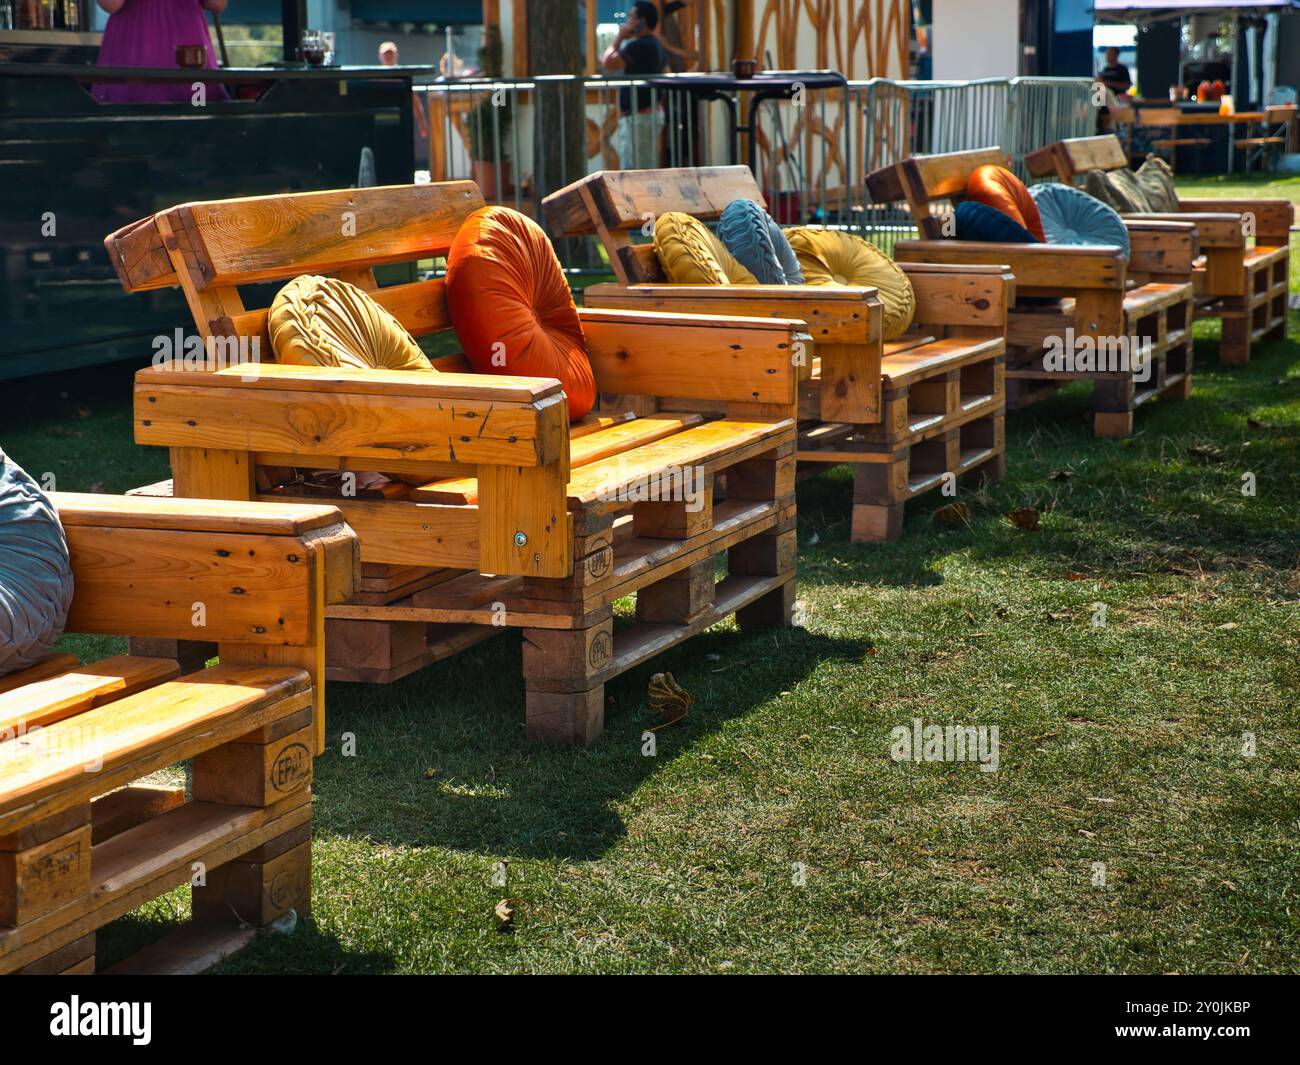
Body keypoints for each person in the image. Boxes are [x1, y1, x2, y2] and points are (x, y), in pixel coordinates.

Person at [93, 0, 227, 104]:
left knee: (199, 116)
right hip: (136, 45)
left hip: (188, 45)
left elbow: (217, 3)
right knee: (128, 121)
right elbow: (111, 4)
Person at [601, 2, 669, 168]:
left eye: (631, 17)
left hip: (640, 118)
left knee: (637, 171)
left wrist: (619, 37)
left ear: (642, 22)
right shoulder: (655, 44)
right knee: (638, 167)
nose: (627, 22)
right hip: (644, 116)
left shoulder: (640, 45)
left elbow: (608, 62)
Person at [379, 40, 429, 144]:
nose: (388, 56)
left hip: (401, 116)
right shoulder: (377, 75)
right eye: (386, 54)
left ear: (396, 55)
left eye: (390, 53)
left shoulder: (404, 74)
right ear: (380, 56)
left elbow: (414, 100)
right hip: (383, 117)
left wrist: (422, 123)